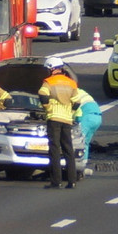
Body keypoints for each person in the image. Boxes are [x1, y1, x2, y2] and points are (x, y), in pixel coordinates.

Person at [38, 56, 82, 189]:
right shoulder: (71, 83)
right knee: (68, 149)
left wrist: (47, 107)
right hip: (67, 119)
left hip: (54, 118)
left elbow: (42, 94)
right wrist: (70, 112)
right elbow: (77, 102)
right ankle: (72, 181)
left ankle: (56, 181)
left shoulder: (49, 81)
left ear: (51, 69)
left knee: (55, 150)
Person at [74, 86, 102, 165]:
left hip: (87, 117)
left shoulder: (72, 94)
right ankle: (84, 162)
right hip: (98, 117)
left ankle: (76, 163)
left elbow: (77, 114)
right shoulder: (80, 91)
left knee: (78, 140)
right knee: (85, 141)